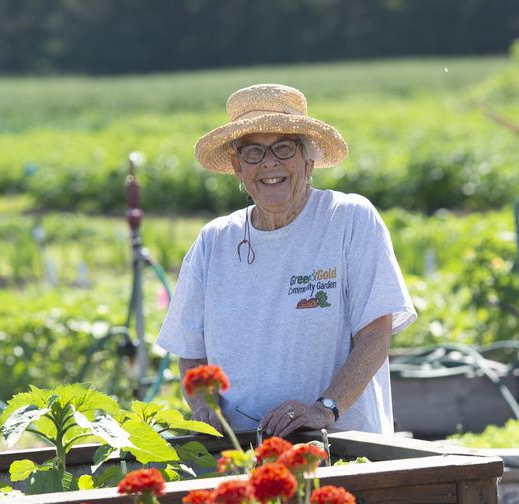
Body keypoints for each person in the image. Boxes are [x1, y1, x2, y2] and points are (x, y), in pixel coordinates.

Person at [157, 83, 417, 437]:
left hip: (342, 449)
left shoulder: (348, 219)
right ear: (237, 166)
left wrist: (323, 409)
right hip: (242, 452)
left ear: (308, 159)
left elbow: (375, 336)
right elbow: (191, 352)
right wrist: (206, 409)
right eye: (253, 152)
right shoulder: (213, 242)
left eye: (283, 148)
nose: (269, 163)